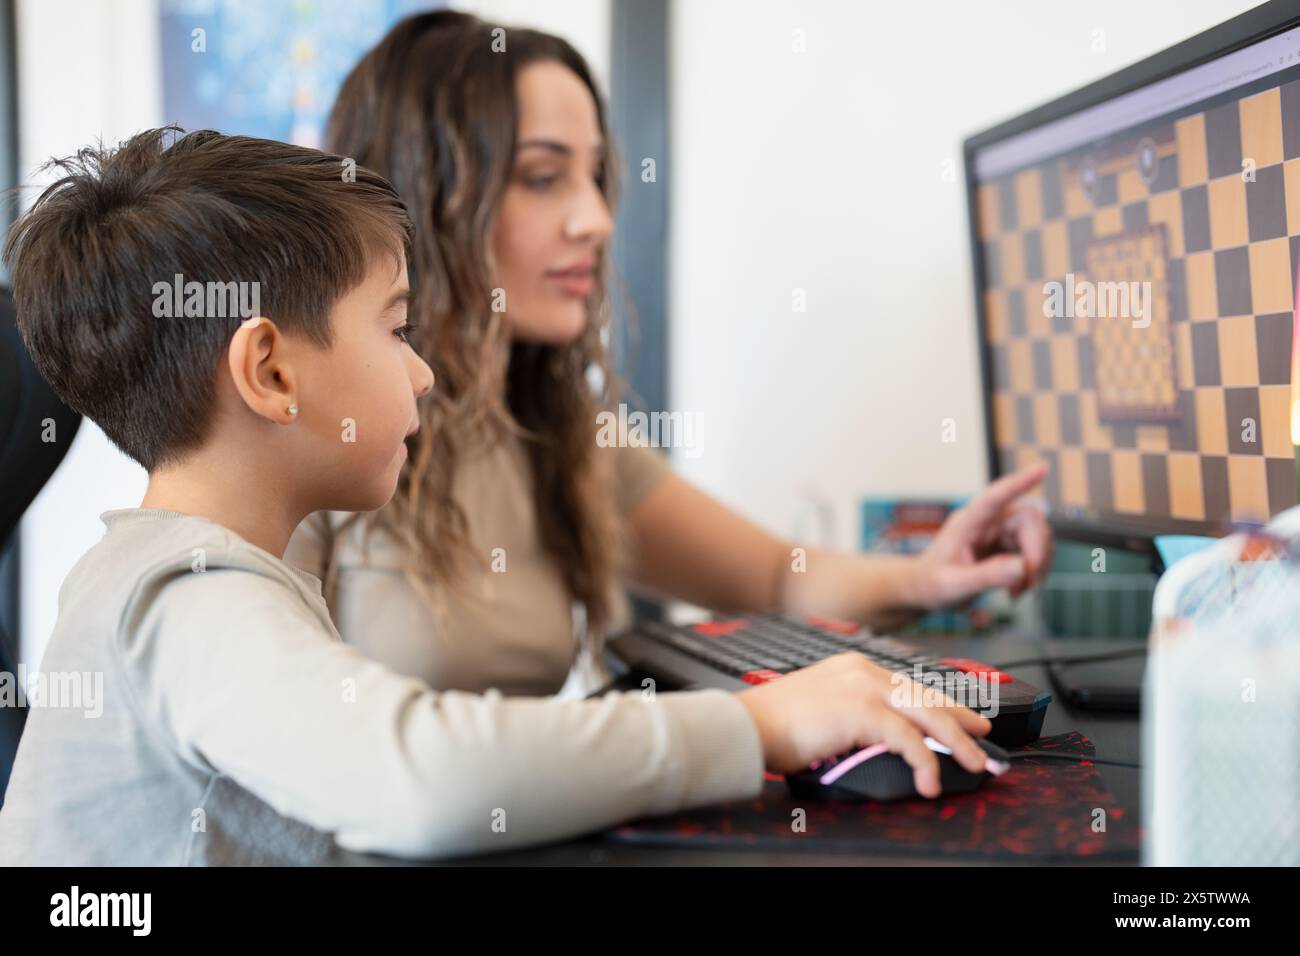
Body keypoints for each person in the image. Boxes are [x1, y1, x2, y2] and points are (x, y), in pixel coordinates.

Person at [0, 128, 992, 865]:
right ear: (269, 370)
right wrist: (759, 728)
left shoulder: (183, 568)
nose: (423, 373)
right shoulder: (192, 594)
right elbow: (417, 775)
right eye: (392, 329)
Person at [287, 10, 1053, 702]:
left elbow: (774, 579)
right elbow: (339, 760)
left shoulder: (562, 431)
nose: (593, 218)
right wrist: (753, 730)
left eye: (595, 177)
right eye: (543, 178)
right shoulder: (315, 429)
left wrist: (929, 576)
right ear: (427, 199)